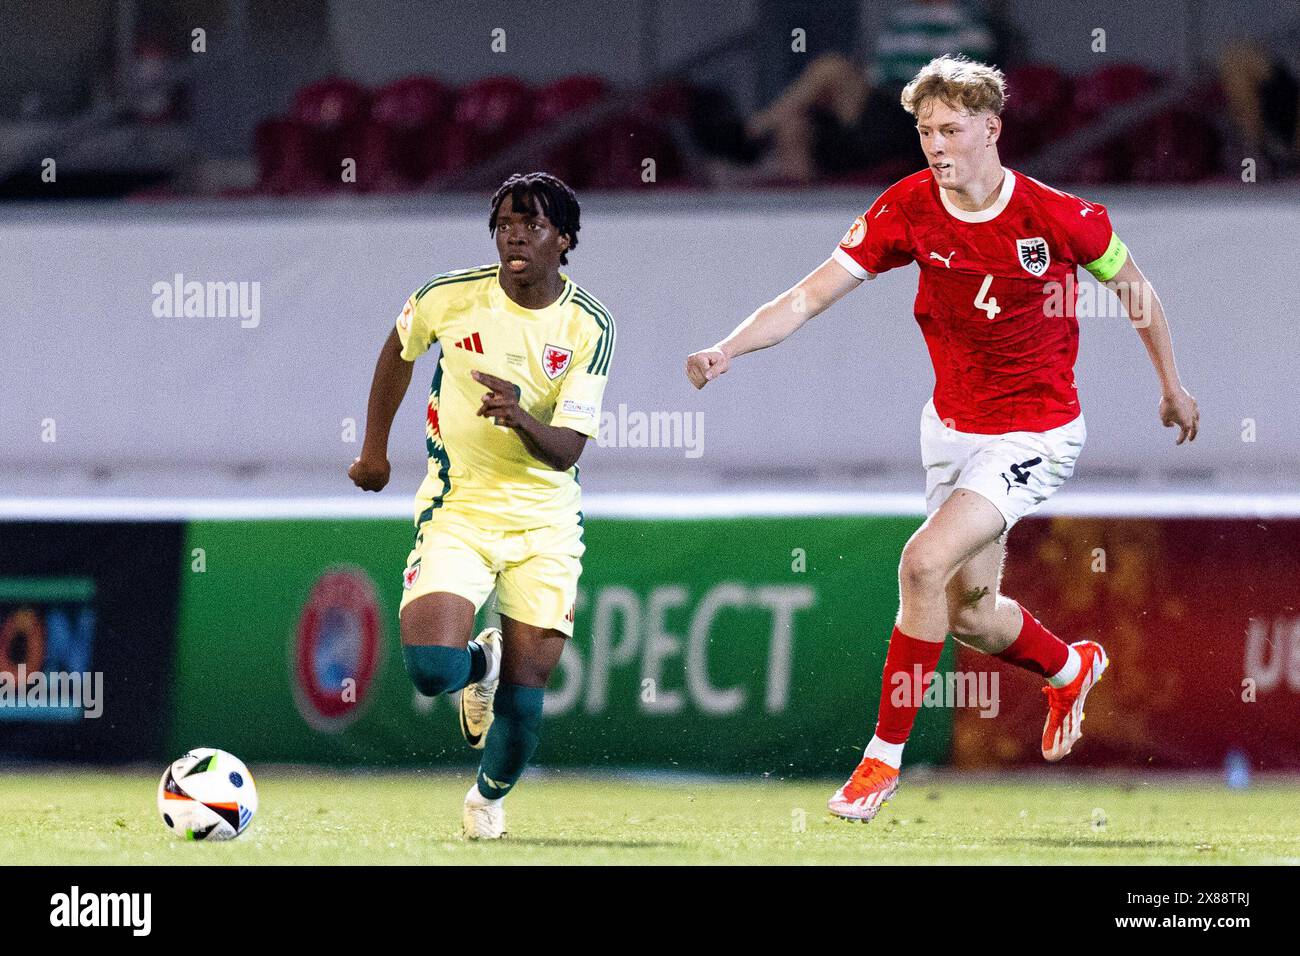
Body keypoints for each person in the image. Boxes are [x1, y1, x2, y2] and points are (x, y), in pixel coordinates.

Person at [686, 56, 1199, 822]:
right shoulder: (907, 209)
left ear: (991, 128)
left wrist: (1171, 384)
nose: (936, 145)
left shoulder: (1060, 216)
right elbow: (807, 296)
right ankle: (1069, 668)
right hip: (952, 430)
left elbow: (1137, 291)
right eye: (925, 131)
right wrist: (729, 348)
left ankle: (879, 761)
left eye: (952, 129)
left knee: (921, 560)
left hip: (1038, 430)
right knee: (969, 612)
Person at [349, 171, 615, 838]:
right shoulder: (449, 296)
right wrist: (374, 448)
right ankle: (480, 664)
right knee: (434, 670)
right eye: (503, 222)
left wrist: (519, 416)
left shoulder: (589, 326)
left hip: (545, 523)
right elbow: (398, 350)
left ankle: (487, 798)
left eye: (531, 222)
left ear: (566, 239)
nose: (514, 233)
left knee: (525, 703)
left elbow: (568, 451)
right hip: (458, 508)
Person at [746, 0, 995, 183]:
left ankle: (752, 132)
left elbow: (964, 92)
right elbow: (877, 75)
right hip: (879, 110)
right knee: (794, 123)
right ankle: (799, 209)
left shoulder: (969, 27)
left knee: (830, 67)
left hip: (916, 119)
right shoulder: (902, 20)